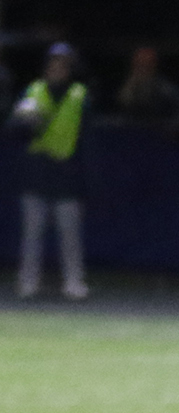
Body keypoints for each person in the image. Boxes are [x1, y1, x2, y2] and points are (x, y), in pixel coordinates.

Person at [10, 43, 89, 300]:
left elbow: (88, 140)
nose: (57, 68)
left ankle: (74, 283)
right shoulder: (33, 92)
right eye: (53, 63)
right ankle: (28, 282)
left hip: (67, 174)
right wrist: (25, 121)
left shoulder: (80, 95)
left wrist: (87, 177)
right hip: (37, 172)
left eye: (63, 64)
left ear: (71, 68)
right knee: (32, 233)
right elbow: (13, 131)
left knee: (70, 234)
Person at [117, 46, 179, 135]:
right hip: (129, 137)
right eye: (139, 64)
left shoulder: (164, 87)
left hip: (159, 138)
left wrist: (176, 125)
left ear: (154, 66)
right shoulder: (124, 85)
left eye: (147, 65)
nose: (142, 69)